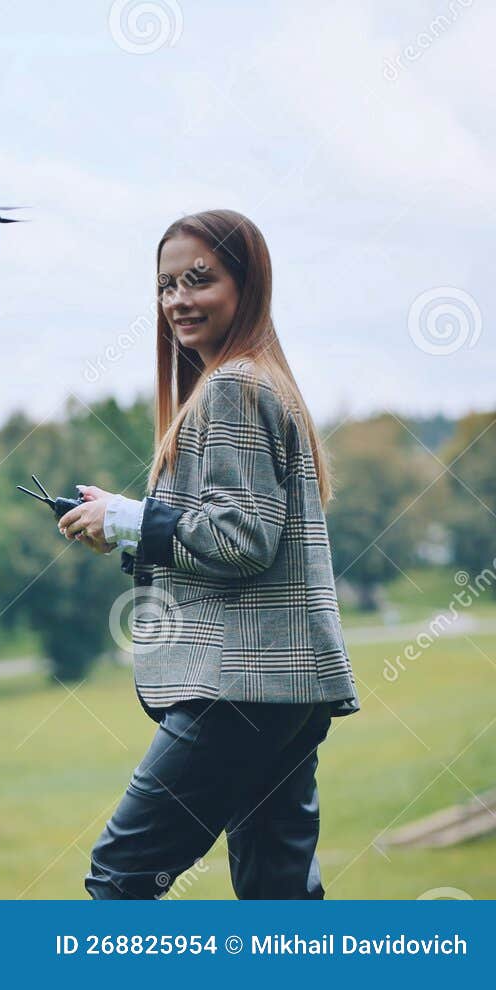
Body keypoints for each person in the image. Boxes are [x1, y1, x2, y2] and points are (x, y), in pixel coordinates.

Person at [56, 209, 361, 899]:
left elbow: (240, 538)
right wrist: (123, 517)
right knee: (277, 892)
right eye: (166, 286)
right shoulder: (255, 380)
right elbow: (236, 527)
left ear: (246, 284)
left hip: (240, 686)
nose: (178, 301)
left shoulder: (233, 385)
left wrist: (130, 520)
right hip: (283, 690)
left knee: (121, 877)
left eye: (200, 279)